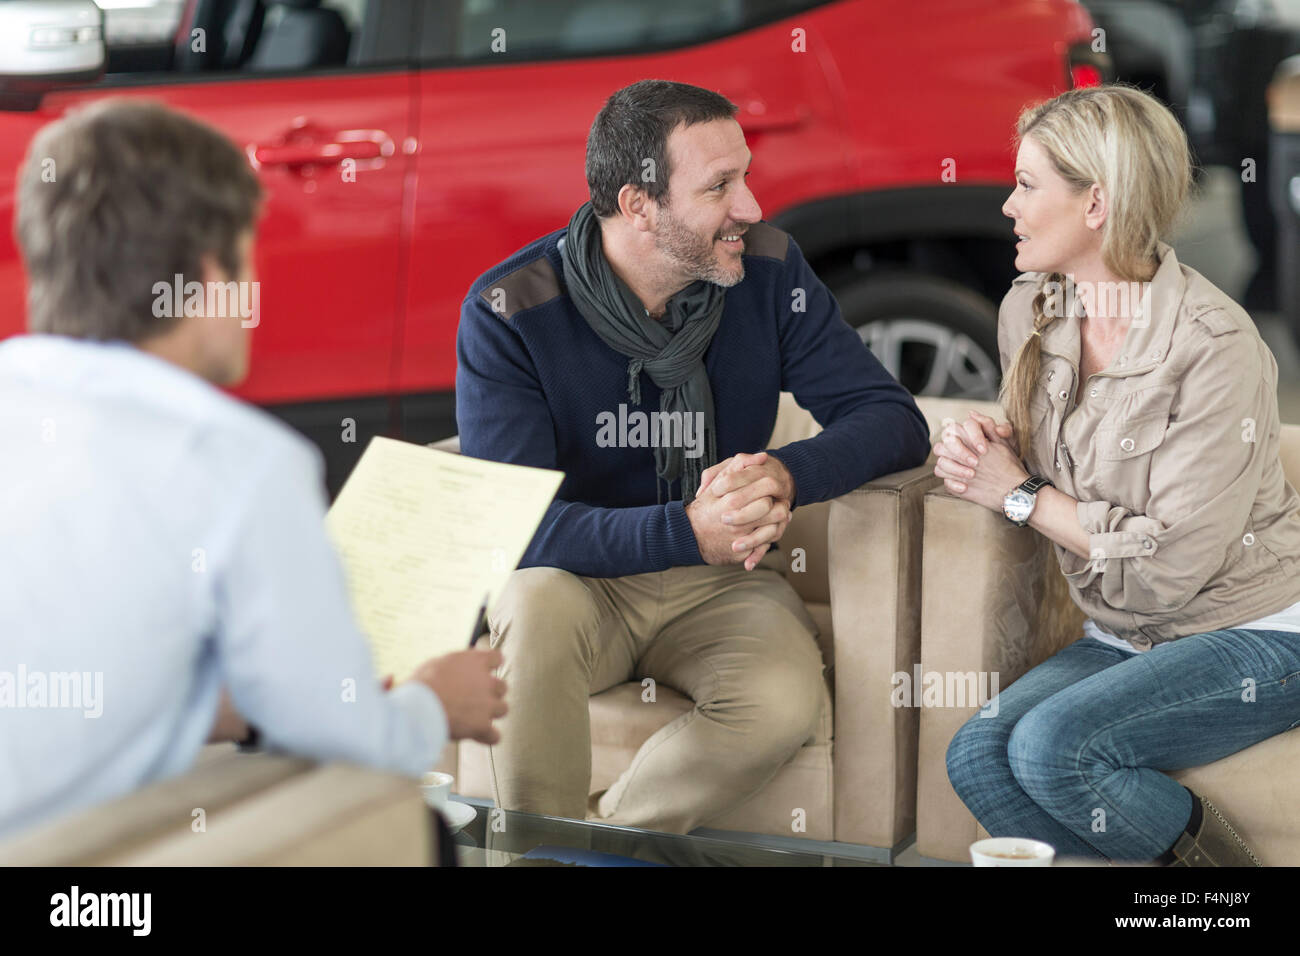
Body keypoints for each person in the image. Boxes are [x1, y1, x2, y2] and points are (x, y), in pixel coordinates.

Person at [0, 99, 505, 838]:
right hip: (63, 867)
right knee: (403, 814)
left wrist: (230, 698)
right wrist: (435, 701)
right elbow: (353, 736)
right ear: (211, 274)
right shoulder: (240, 461)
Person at [456, 79, 930, 833]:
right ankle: (538, 845)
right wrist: (685, 528)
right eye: (720, 186)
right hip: (583, 583)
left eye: (745, 175)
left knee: (778, 702)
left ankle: (598, 848)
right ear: (637, 205)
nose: (751, 207)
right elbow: (512, 527)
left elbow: (890, 417)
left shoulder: (770, 272)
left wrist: (785, 472)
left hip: (722, 582)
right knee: (529, 598)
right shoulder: (512, 311)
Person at [937, 85, 1300, 865]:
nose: (1008, 205)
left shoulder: (1215, 347)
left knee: (1053, 748)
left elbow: (1166, 569)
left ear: (1095, 202)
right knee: (974, 754)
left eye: (1028, 185)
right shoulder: (1027, 310)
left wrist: (1016, 492)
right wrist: (984, 444)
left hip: (1252, 633)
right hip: (1124, 632)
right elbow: (1030, 459)